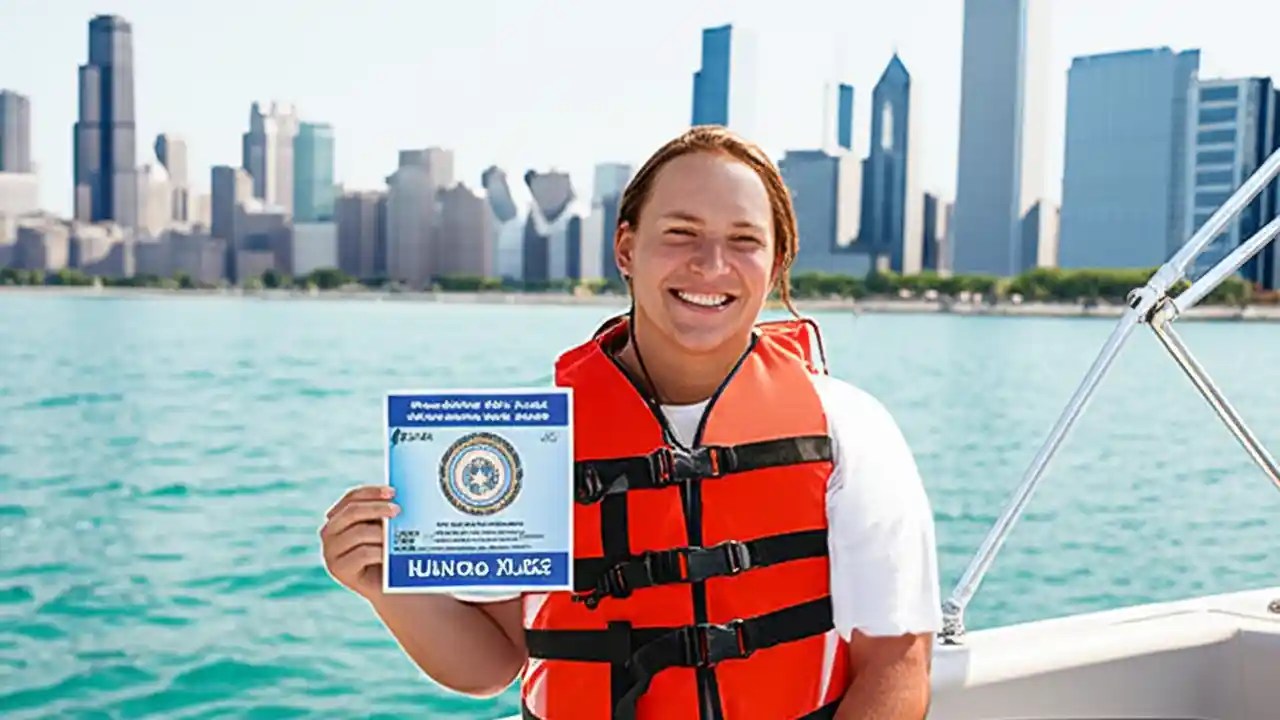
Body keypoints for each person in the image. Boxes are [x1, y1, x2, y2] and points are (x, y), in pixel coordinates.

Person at [320, 126, 941, 719]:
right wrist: (385, 587)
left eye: (745, 241)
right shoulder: (527, 442)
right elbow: (491, 664)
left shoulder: (850, 428)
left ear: (777, 262)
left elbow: (896, 662)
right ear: (626, 248)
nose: (710, 263)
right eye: (681, 233)